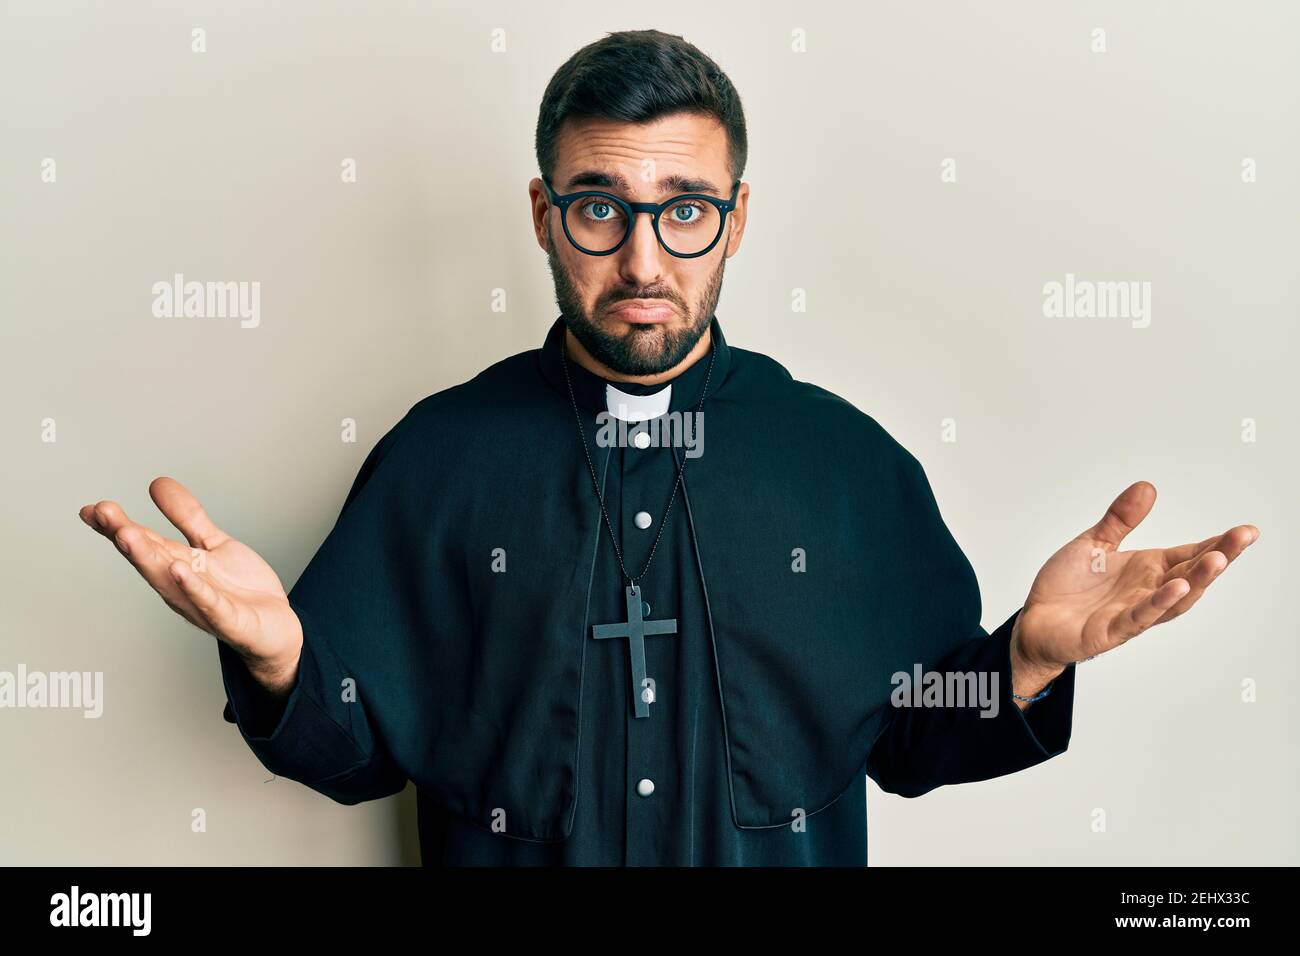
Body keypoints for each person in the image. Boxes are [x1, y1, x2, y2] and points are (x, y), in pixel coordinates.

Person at [80, 29, 1258, 866]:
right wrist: (284, 657)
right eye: (600, 206)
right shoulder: (438, 458)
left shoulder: (846, 466)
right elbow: (356, 754)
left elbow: (908, 737)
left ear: (737, 217)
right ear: (544, 215)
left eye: (685, 208)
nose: (644, 260)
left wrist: (1025, 661)